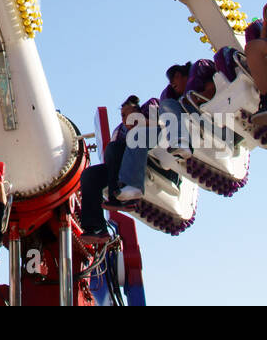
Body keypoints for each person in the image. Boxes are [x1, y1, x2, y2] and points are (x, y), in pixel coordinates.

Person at [78, 95, 151, 239]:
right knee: (89, 175)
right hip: (119, 167)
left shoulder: (149, 112)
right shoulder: (119, 132)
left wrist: (141, 124)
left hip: (144, 157)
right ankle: (96, 228)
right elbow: (110, 160)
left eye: (127, 115)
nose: (124, 119)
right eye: (122, 116)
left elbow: (166, 126)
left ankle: (116, 197)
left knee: (115, 147)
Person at [158, 63, 194, 159]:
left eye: (172, 81)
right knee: (166, 105)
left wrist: (193, 99)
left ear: (178, 75)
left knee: (166, 105)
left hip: (210, 111)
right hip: (194, 118)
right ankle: (180, 145)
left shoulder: (197, 78)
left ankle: (182, 142)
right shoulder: (177, 99)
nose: (172, 84)